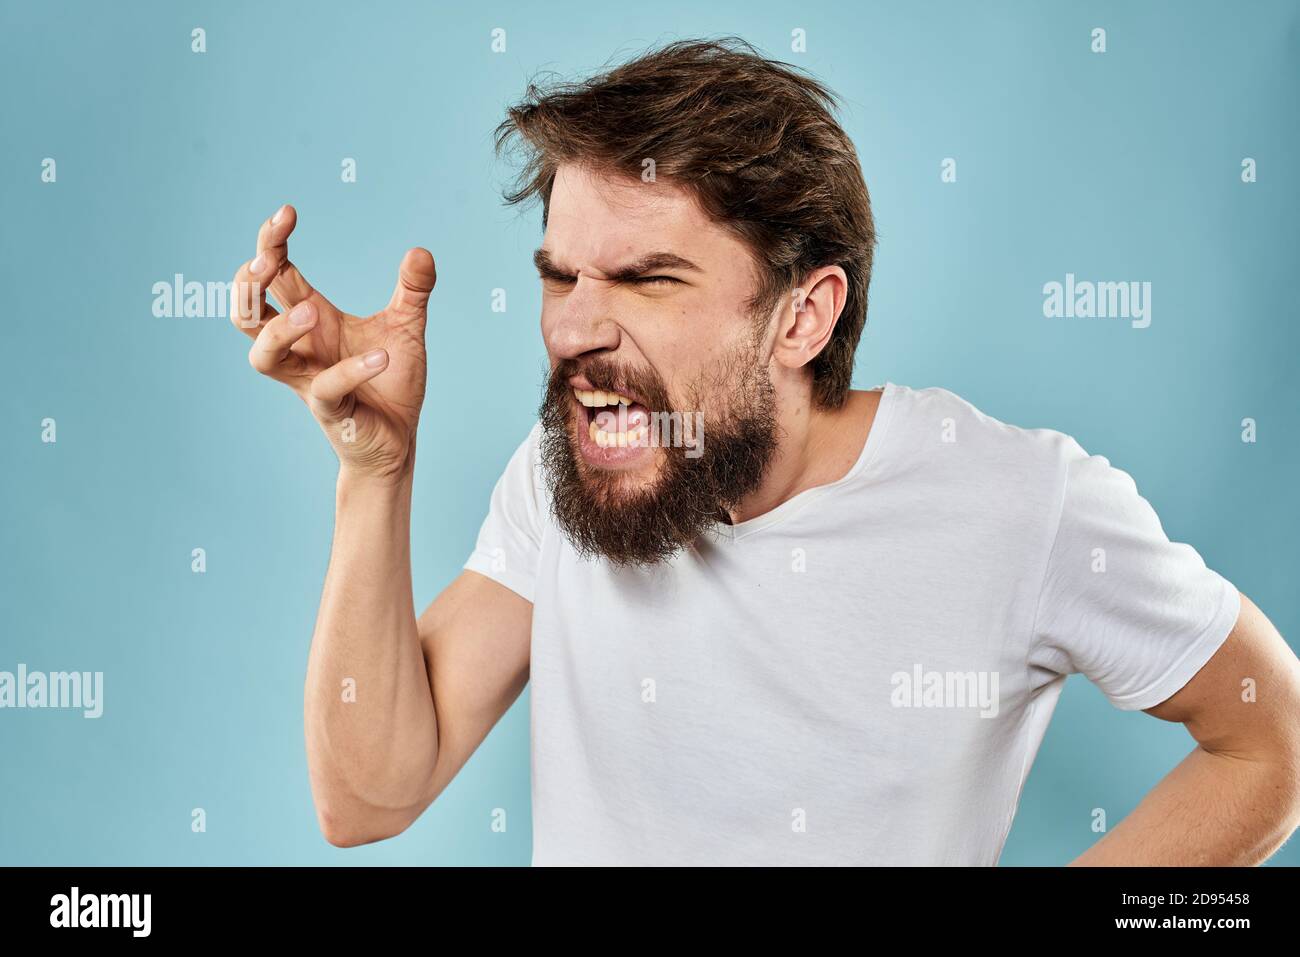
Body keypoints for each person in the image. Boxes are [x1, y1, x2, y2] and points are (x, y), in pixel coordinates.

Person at [228, 38, 1300, 865]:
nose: (572, 332)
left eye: (648, 280)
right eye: (561, 277)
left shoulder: (1020, 503)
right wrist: (376, 472)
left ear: (802, 317)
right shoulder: (567, 476)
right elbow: (368, 795)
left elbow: (1273, 741)